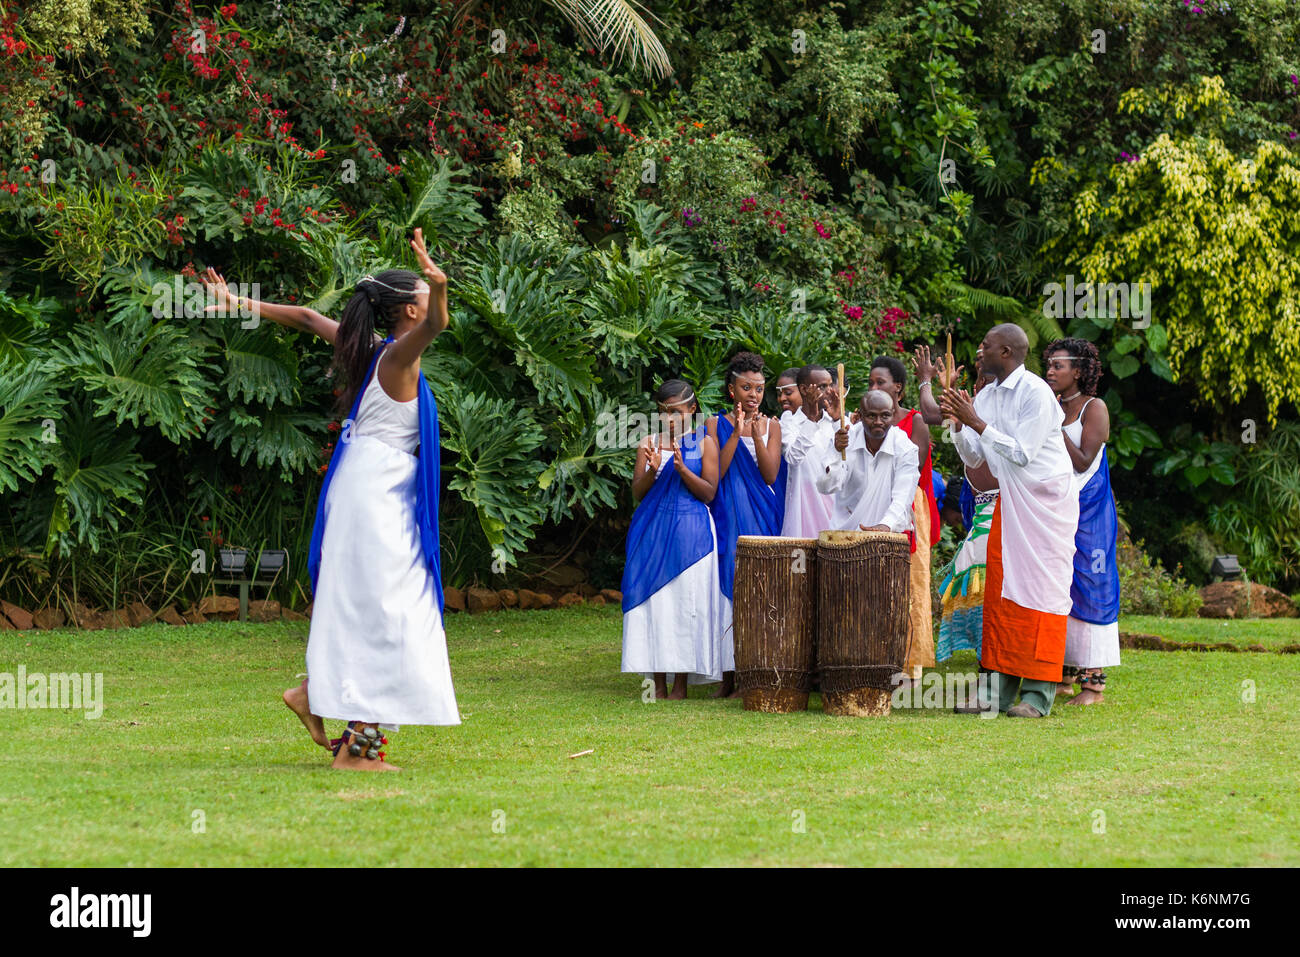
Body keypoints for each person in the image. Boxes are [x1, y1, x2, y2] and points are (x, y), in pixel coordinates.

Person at [202, 228, 460, 770]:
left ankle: (314, 693)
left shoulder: (367, 350)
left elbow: (301, 316)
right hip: (377, 497)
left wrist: (235, 302)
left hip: (365, 488)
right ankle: (356, 754)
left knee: (379, 610)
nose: (427, 300)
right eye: (420, 294)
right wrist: (439, 289)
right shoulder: (397, 360)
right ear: (408, 313)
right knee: (396, 616)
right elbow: (439, 322)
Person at [940, 324, 1079, 718]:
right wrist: (957, 420)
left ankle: (1037, 696)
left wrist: (977, 421)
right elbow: (973, 457)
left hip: (1045, 504)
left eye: (984, 346)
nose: (979, 352)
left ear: (1006, 352)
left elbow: (1021, 454)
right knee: (1002, 592)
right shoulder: (987, 395)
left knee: (1041, 594)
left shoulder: (1036, 392)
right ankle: (994, 695)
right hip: (1011, 502)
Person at [622, 379, 722, 701]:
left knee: (685, 606)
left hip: (691, 534)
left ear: (692, 409)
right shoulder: (648, 442)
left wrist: (682, 469)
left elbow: (709, 492)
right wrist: (652, 471)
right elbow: (638, 493)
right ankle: (658, 683)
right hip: (652, 530)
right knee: (657, 606)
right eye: (663, 412)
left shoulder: (705, 443)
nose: (669, 419)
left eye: (676, 412)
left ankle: (681, 684)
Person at [1044, 338, 1120, 705]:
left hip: (1089, 513)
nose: (1051, 372)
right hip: (1056, 512)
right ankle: (1062, 676)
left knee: (1092, 583)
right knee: (1060, 586)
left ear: (1079, 371)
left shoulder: (1095, 408)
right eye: (1049, 365)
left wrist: (1054, 424)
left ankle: (1094, 685)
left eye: (1059, 366)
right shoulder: (1052, 406)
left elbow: (1082, 461)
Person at [706, 352, 784, 699]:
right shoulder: (713, 424)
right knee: (728, 586)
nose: (753, 395)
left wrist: (756, 433)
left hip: (762, 517)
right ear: (731, 389)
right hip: (727, 516)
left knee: (758, 591)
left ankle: (753, 673)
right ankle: (727, 675)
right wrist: (736, 434)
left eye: (759, 388)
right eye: (746, 387)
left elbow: (769, 474)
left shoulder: (772, 425)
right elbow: (715, 474)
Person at [868, 356, 939, 685]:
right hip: (874, 507)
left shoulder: (916, 420)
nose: (874, 388)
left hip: (909, 507)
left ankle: (910, 664)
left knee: (912, 582)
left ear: (898, 387)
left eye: (880, 383)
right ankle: (876, 657)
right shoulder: (866, 422)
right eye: (870, 383)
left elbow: (911, 471)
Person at [936, 369, 999, 663]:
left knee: (992, 587)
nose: (980, 387)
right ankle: (985, 657)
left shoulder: (1006, 419)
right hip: (981, 513)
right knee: (976, 584)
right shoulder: (971, 415)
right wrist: (959, 423)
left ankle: (995, 659)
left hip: (1004, 513)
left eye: (988, 381)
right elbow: (970, 457)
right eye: (978, 380)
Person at [815, 390, 919, 534]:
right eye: (871, 416)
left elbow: (903, 495)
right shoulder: (845, 440)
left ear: (893, 415)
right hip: (844, 536)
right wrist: (836, 451)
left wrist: (886, 525)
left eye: (885, 416)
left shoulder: (905, 448)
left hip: (886, 537)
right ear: (860, 416)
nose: (878, 422)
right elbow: (826, 487)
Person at [780, 364, 841, 538]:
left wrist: (838, 421)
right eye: (822, 387)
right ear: (804, 389)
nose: (829, 391)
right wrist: (811, 421)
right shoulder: (789, 421)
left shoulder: (834, 420)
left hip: (834, 507)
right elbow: (793, 458)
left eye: (830, 385)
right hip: (804, 505)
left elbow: (849, 459)